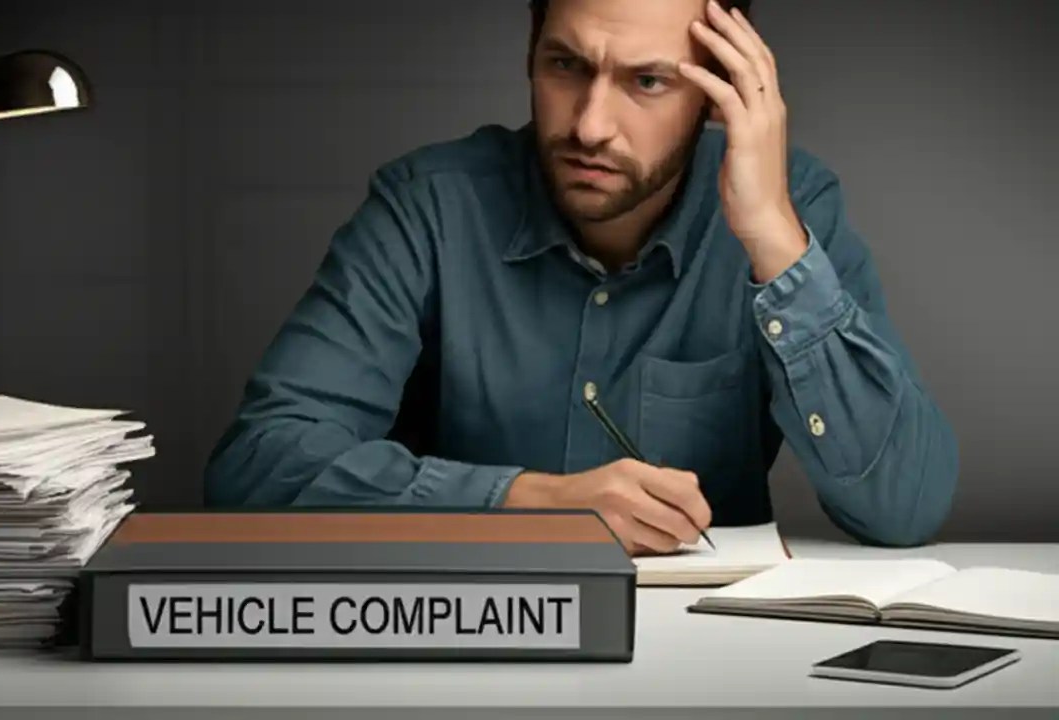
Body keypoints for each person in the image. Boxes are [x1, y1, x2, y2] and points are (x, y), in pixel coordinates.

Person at [202, 0, 958, 553]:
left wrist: (771, 240)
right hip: (470, 641)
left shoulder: (789, 210)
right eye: (566, 66)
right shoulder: (429, 205)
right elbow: (257, 468)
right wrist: (528, 501)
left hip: (708, 665)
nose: (591, 124)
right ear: (531, 55)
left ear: (720, 92)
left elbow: (904, 507)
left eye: (649, 82)